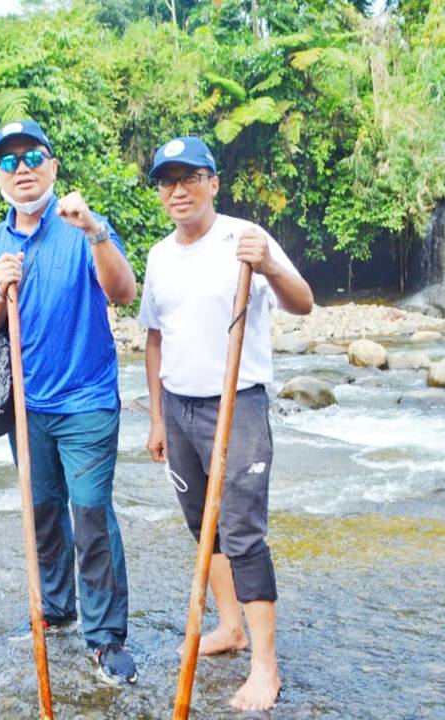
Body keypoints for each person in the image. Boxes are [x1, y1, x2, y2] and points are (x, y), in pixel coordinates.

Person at [139, 137, 313, 711]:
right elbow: (155, 337)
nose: (179, 190)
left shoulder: (245, 239)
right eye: (168, 181)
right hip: (180, 406)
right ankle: (230, 626)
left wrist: (266, 264)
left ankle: (266, 667)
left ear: (213, 183)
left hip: (237, 402)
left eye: (191, 177)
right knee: (203, 525)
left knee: (241, 530)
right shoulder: (160, 255)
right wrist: (158, 417)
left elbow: (303, 302)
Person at [0, 120, 139, 685]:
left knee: (89, 513)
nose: (22, 169)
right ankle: (56, 609)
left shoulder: (81, 227)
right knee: (41, 512)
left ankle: (107, 637)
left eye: (33, 156)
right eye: (9, 162)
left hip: (86, 399)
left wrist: (94, 230)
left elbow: (123, 292)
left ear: (53, 166)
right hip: (26, 406)